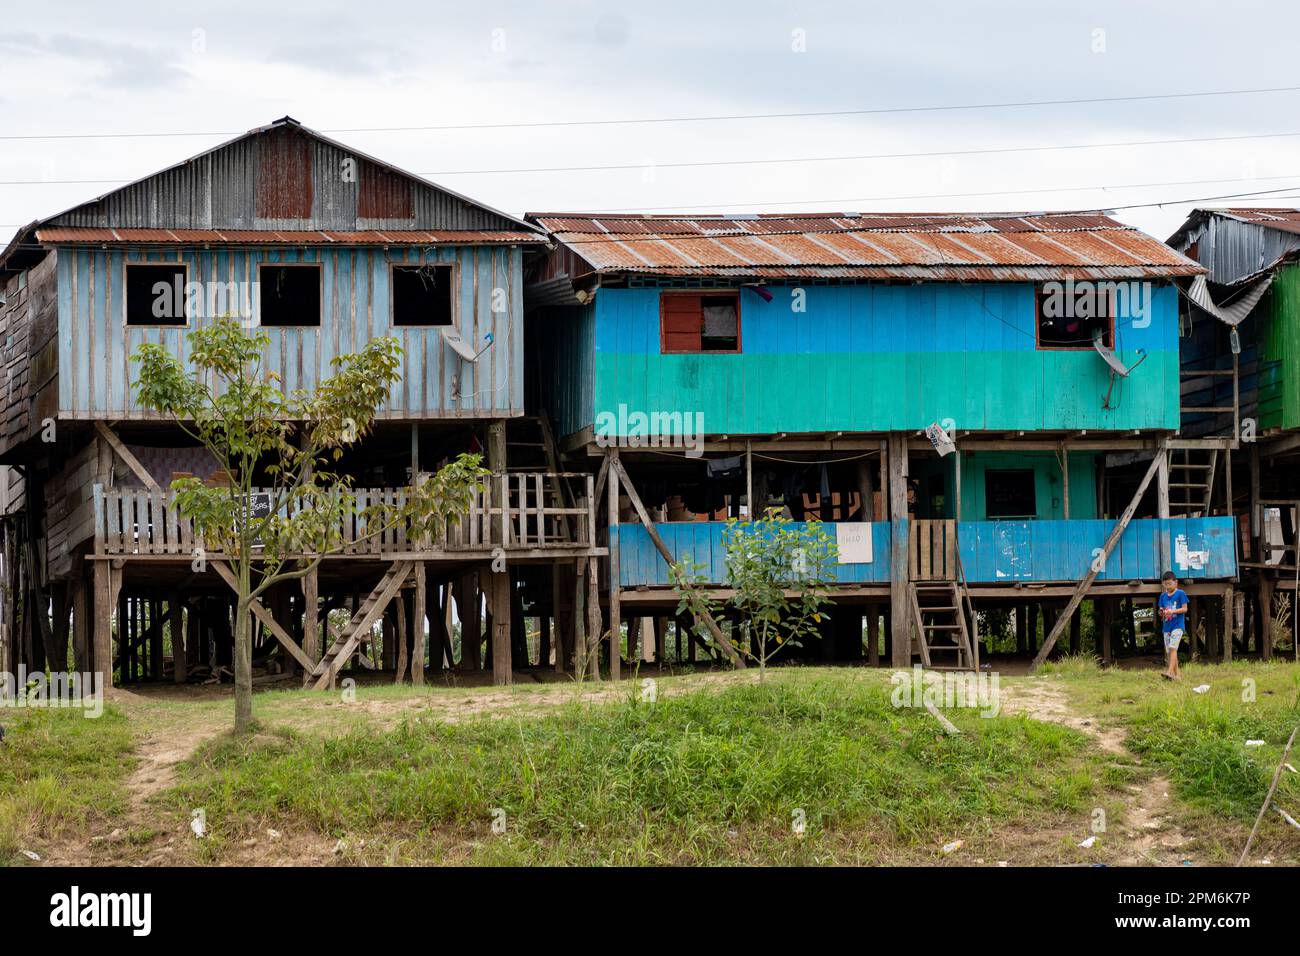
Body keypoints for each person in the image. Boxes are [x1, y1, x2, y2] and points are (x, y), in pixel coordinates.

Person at [1157, 571, 1188, 680]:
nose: (1168, 586)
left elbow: (1185, 608)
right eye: (1165, 584)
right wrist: (1161, 612)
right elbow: (1161, 609)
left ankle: (1169, 672)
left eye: (1170, 583)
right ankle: (1177, 675)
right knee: (1170, 651)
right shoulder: (1163, 596)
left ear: (1176, 582)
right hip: (1167, 627)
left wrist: (1173, 611)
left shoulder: (1181, 593)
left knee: (1173, 648)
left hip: (1177, 626)